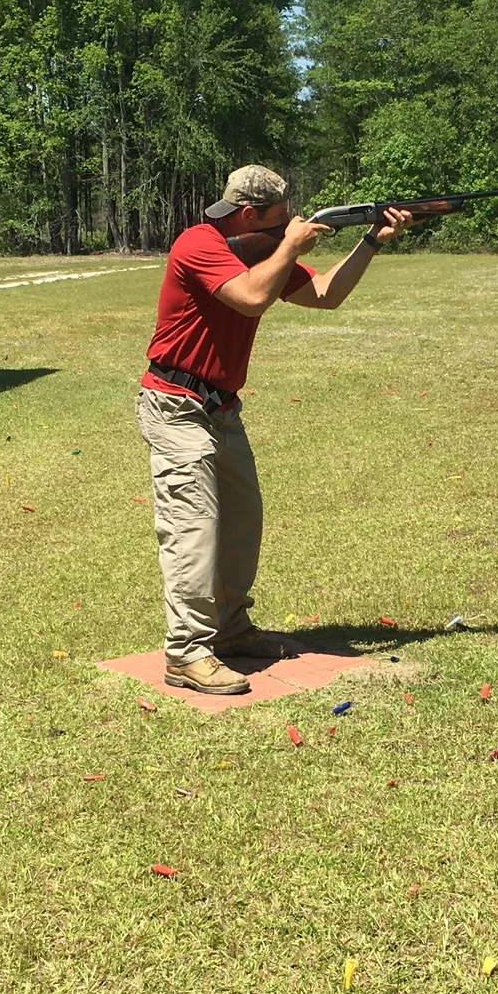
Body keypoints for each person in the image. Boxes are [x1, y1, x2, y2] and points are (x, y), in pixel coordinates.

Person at [137, 165, 412, 695]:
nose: (291, 223)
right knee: (193, 529)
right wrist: (288, 245)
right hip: (174, 403)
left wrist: (371, 242)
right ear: (249, 215)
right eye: (280, 218)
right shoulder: (198, 243)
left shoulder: (262, 250)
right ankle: (186, 653)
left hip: (221, 408)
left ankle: (232, 630)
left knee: (242, 525)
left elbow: (327, 294)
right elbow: (250, 298)